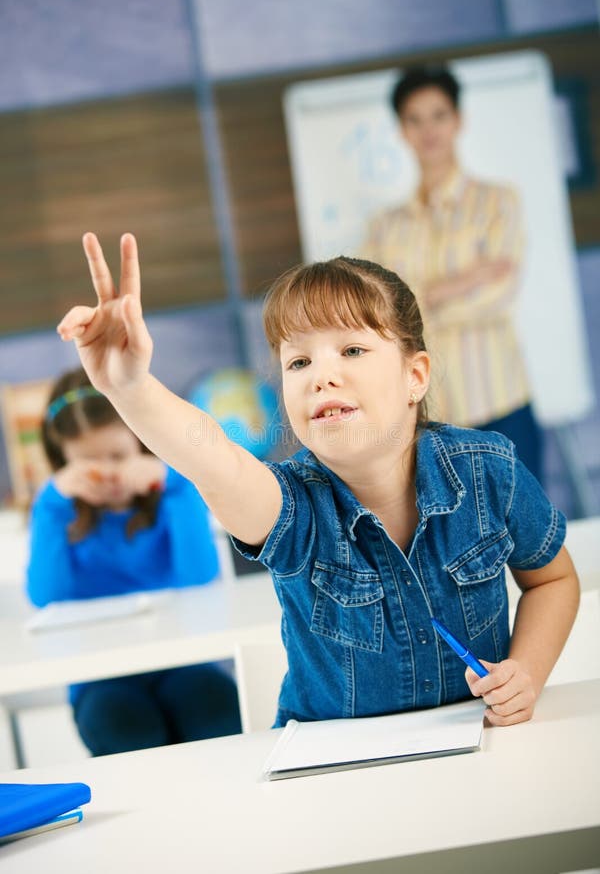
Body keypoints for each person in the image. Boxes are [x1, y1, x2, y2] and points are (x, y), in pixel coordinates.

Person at [57, 233, 579, 728]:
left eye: (352, 350)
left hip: (479, 744)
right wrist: (130, 389)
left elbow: (552, 580)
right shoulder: (290, 504)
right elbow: (213, 457)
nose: (321, 375)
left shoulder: (490, 467)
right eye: (299, 360)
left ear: (414, 376)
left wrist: (527, 672)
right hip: (332, 772)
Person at [27, 367, 241, 756]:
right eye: (89, 462)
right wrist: (51, 503)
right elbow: (47, 597)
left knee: (216, 715)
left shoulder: (171, 498)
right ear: (63, 463)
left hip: (185, 661)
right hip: (101, 677)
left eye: (118, 455)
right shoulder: (58, 514)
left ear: (142, 445)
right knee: (125, 732)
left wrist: (176, 483)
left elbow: (200, 575)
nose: (108, 473)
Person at [361, 66, 543, 482]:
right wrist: (461, 282)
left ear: (458, 120)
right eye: (415, 119)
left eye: (439, 115)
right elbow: (379, 314)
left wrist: (416, 303)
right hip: (433, 419)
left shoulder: (498, 202)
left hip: (503, 403)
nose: (429, 130)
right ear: (402, 130)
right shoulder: (384, 228)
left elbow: (499, 296)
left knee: (530, 541)